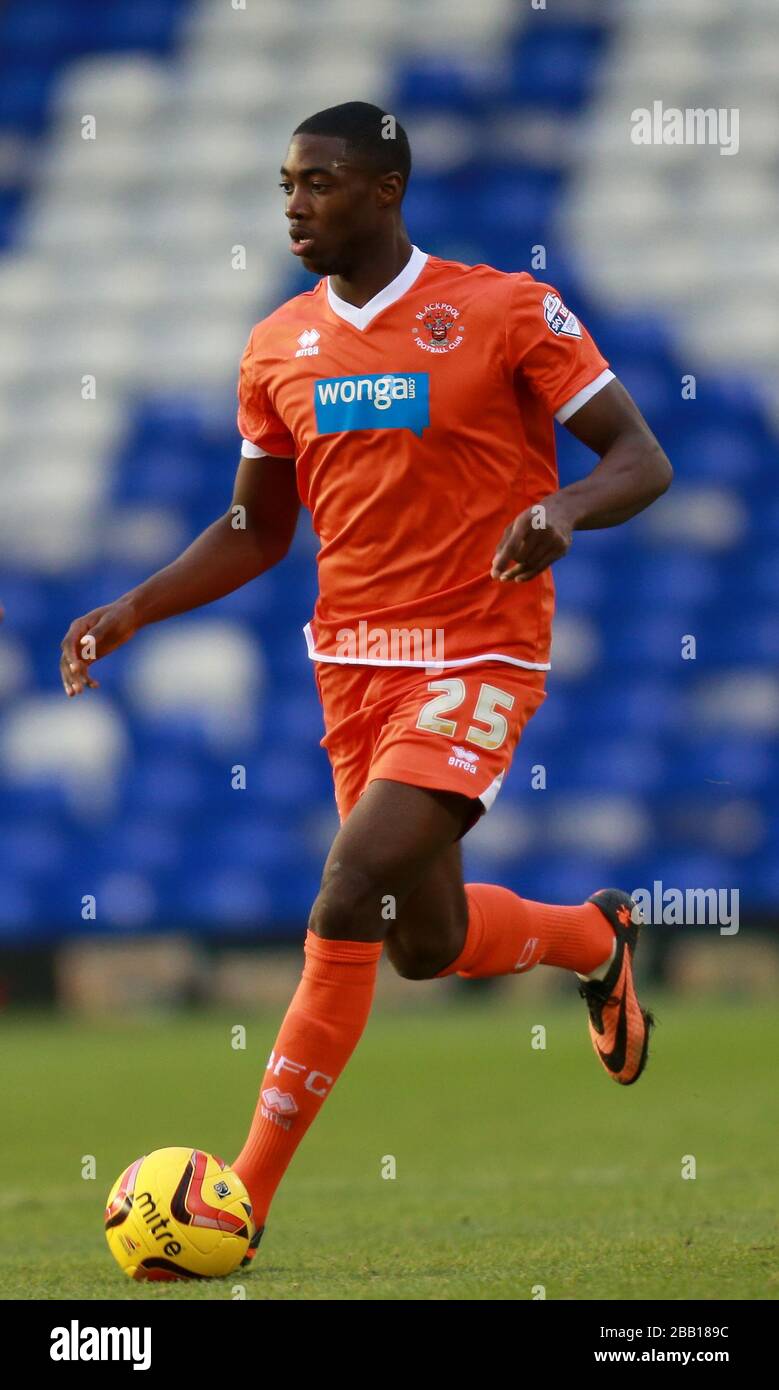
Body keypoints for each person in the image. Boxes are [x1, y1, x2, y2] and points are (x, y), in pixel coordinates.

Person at [60, 102, 672, 1262]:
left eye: (319, 182)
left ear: (385, 189)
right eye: (285, 184)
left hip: (478, 651)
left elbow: (640, 458)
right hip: (353, 674)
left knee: (345, 886)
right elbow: (254, 529)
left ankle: (236, 1199)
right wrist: (133, 606)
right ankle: (594, 943)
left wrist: (561, 509)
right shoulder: (275, 346)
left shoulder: (503, 310)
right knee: (422, 945)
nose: (294, 204)